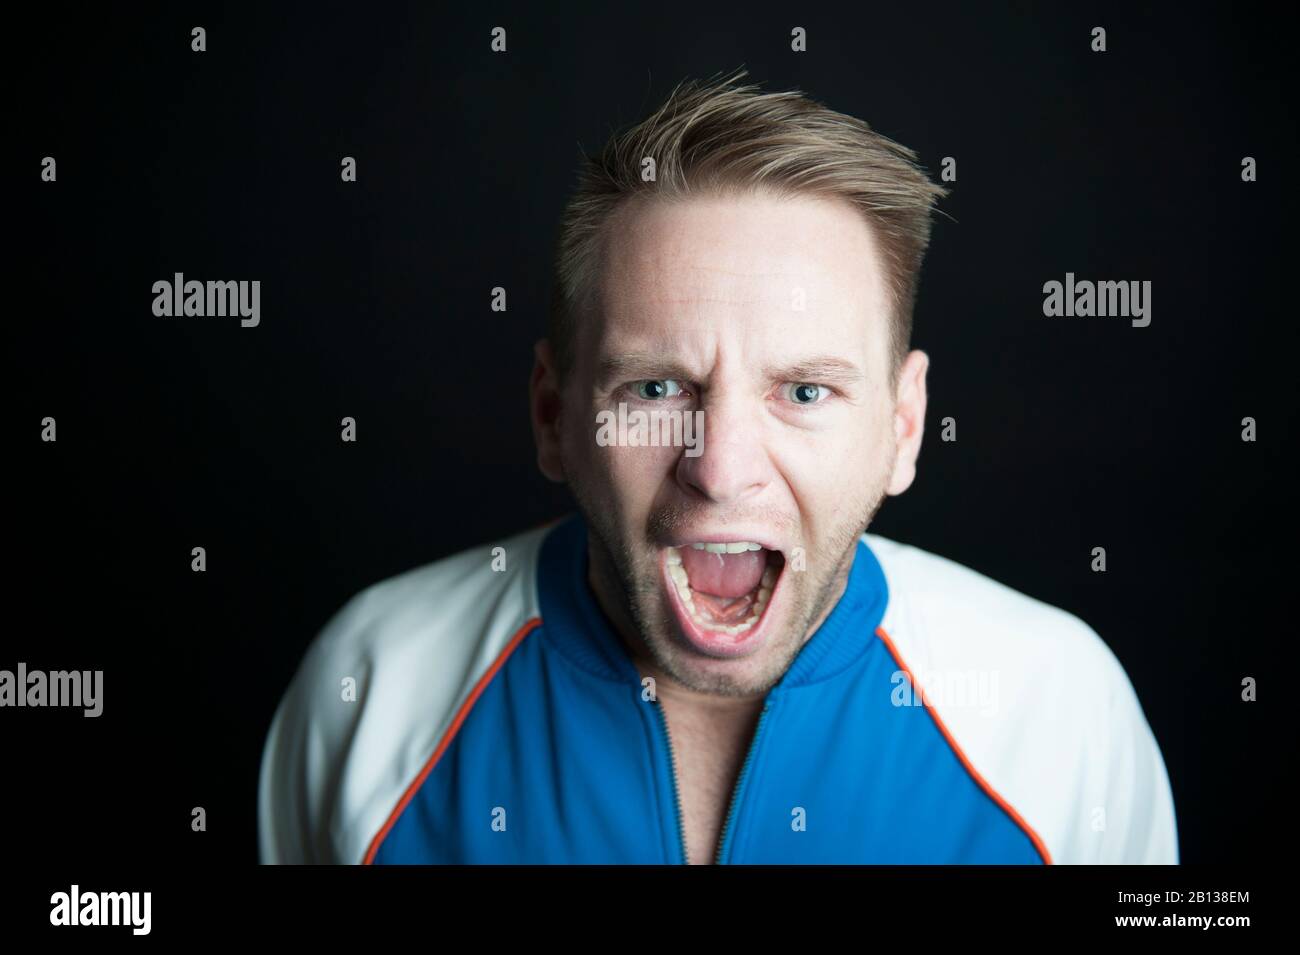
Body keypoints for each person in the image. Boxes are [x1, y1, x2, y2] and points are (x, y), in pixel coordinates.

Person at [258, 71, 1177, 864]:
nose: (721, 469)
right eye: (658, 387)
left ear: (903, 426)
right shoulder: (372, 691)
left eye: (805, 392)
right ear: (554, 414)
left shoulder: (1059, 718)